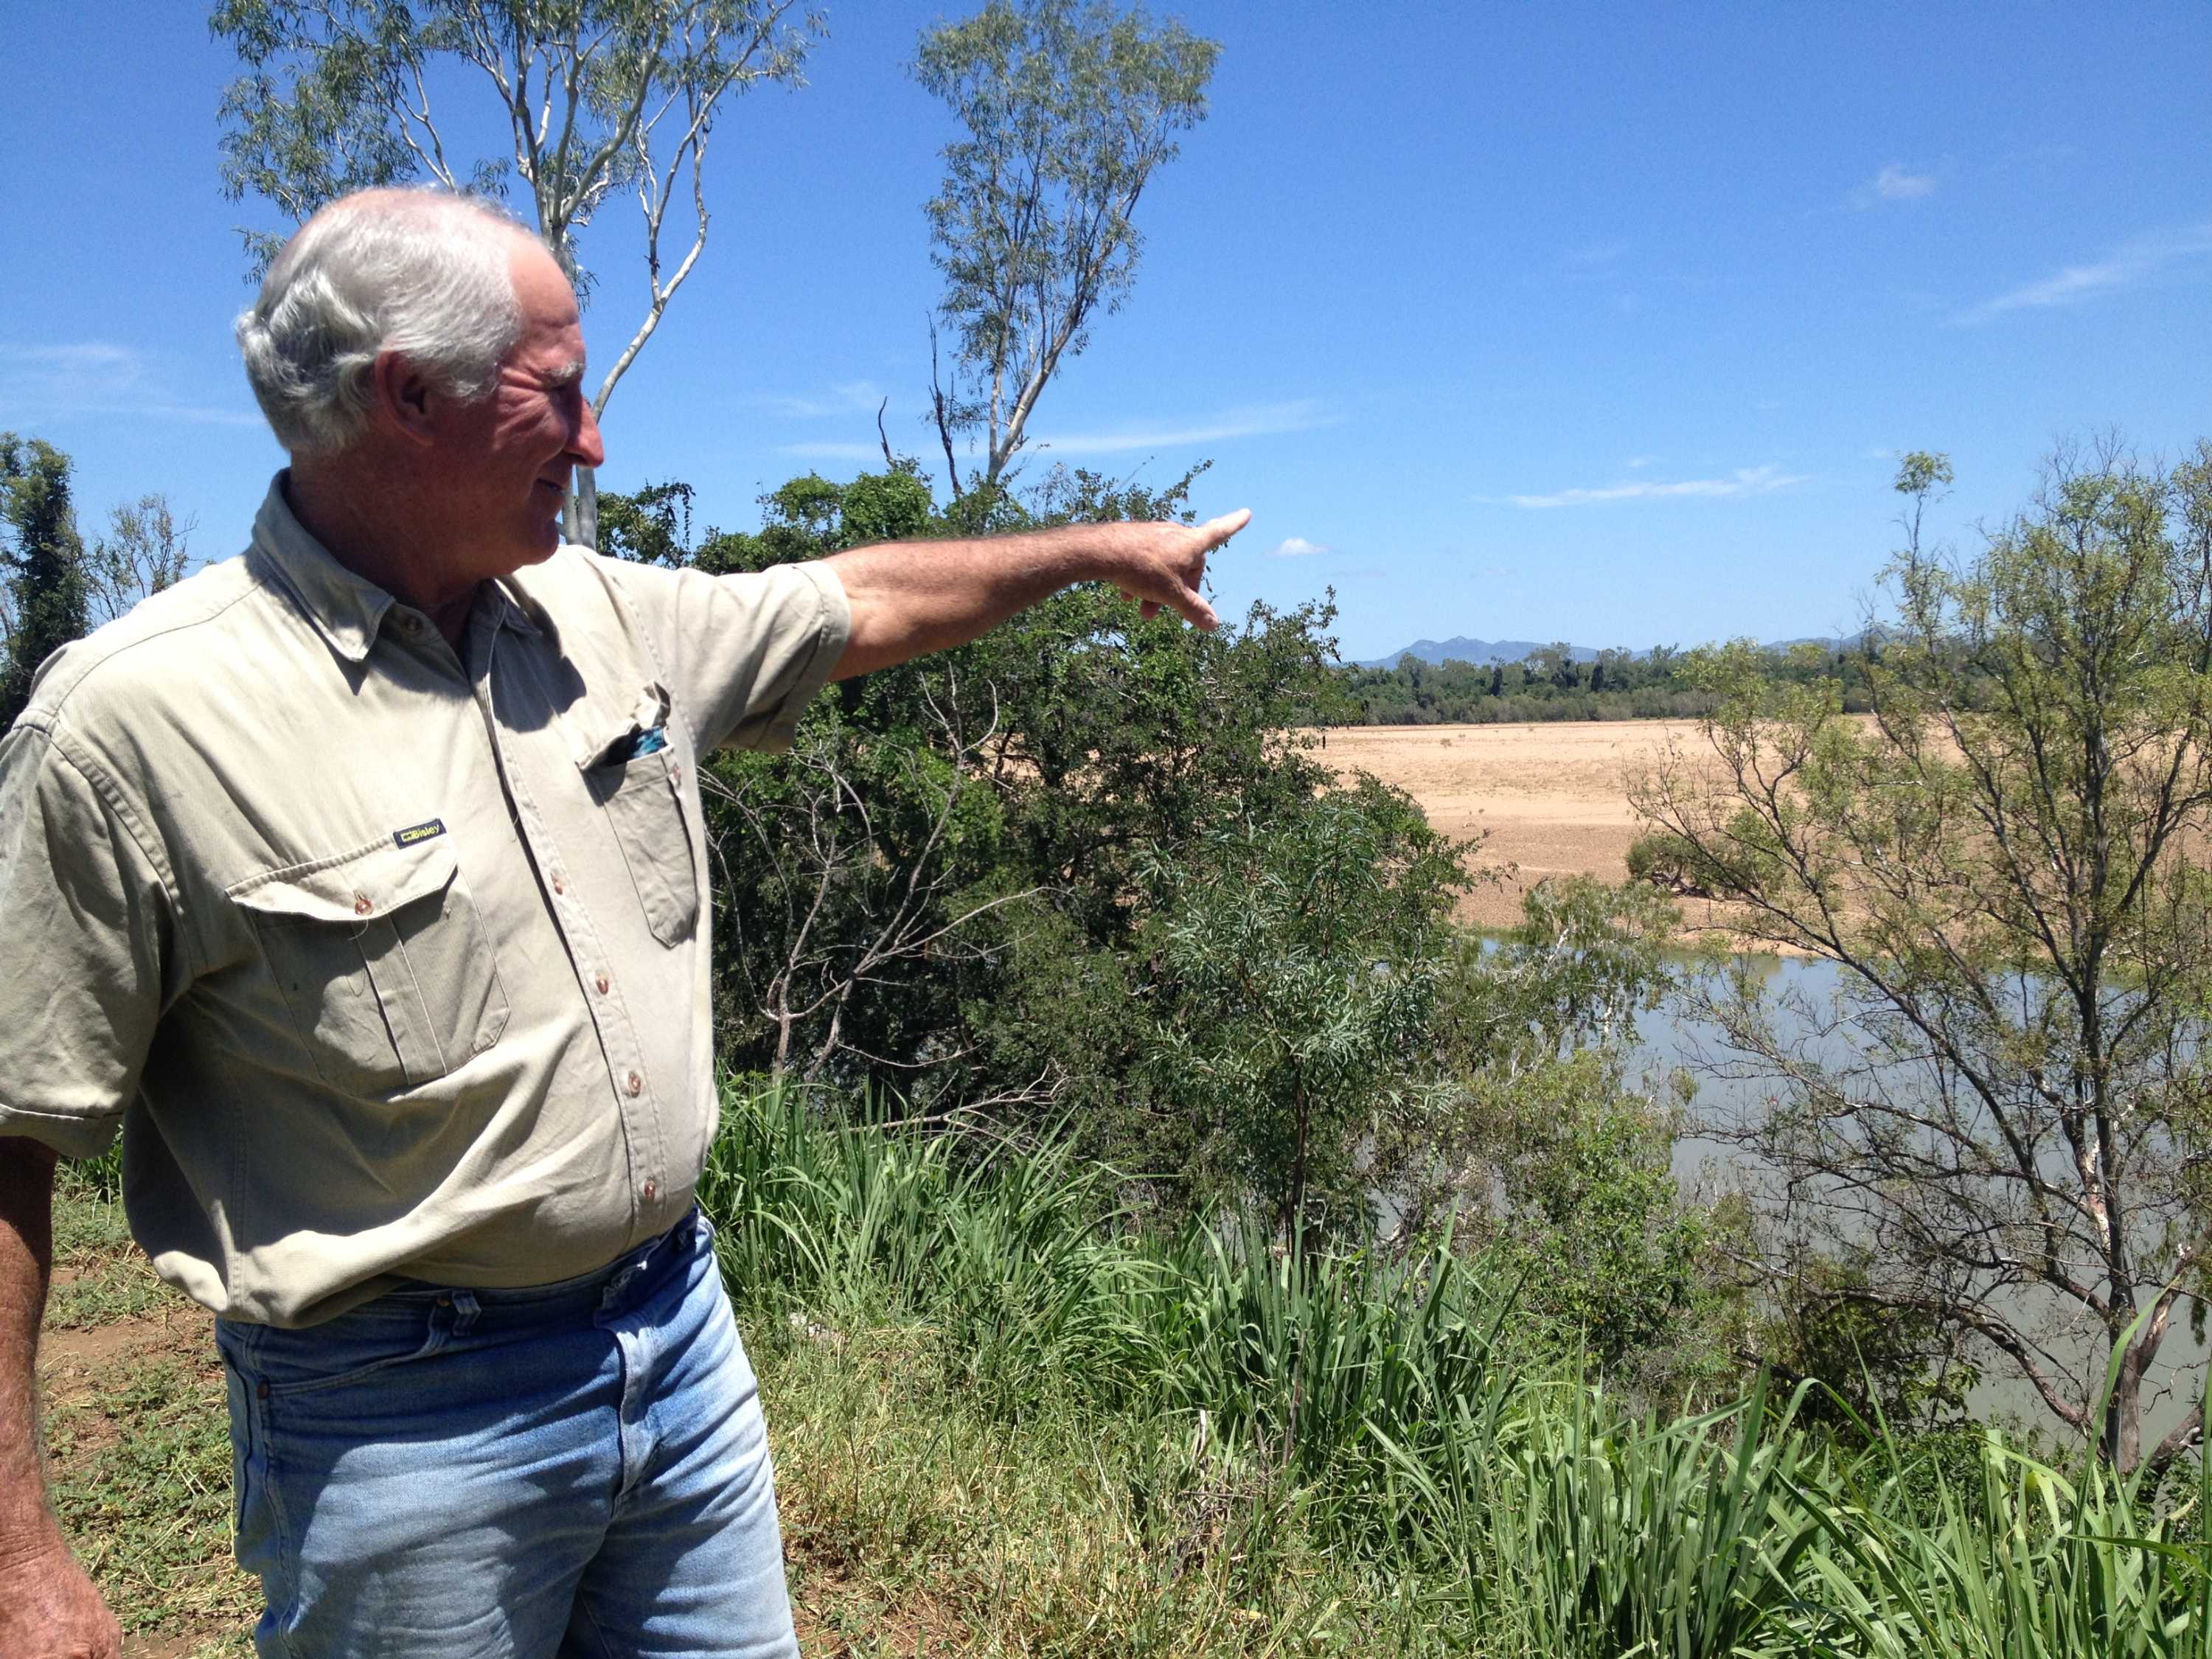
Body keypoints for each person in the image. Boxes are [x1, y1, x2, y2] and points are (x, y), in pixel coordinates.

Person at [0, 187, 1247, 1658]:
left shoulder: (592, 616)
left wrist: (1096, 553)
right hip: (399, 1422)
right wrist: (19, 1562)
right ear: (408, 396)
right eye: (558, 394)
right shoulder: (135, 725)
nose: (594, 443)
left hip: (677, 1334)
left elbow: (848, 604)